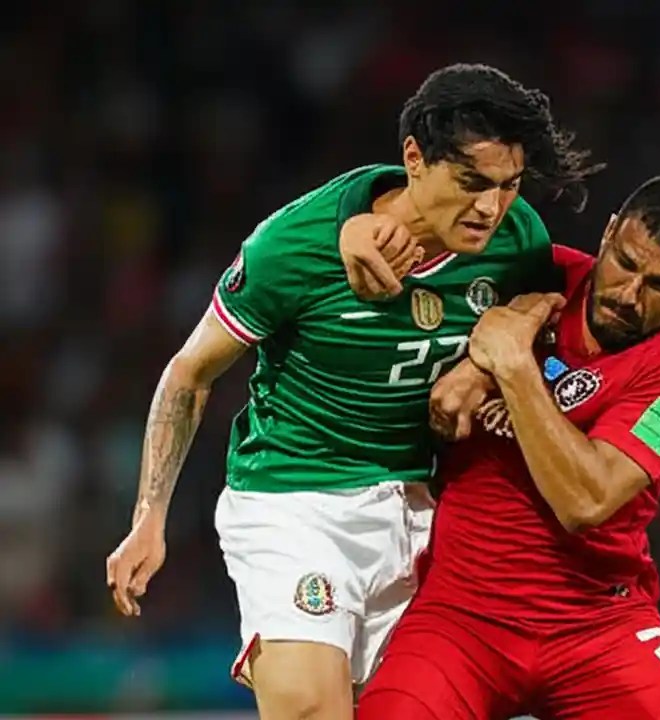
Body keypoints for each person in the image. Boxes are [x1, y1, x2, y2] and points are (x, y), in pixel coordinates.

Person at [104, 62, 600, 720]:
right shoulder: (295, 244)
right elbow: (189, 374)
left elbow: (539, 313)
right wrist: (148, 519)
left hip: (425, 509)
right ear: (415, 159)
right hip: (296, 499)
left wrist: (480, 370)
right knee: (314, 709)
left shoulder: (517, 239)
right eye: (472, 182)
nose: (490, 207)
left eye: (509, 186)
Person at [354, 175, 660, 719]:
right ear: (608, 234)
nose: (629, 295)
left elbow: (587, 500)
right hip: (461, 617)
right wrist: (354, 227)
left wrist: (511, 366)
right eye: (626, 263)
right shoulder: (529, 270)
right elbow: (412, 226)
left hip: (597, 624)